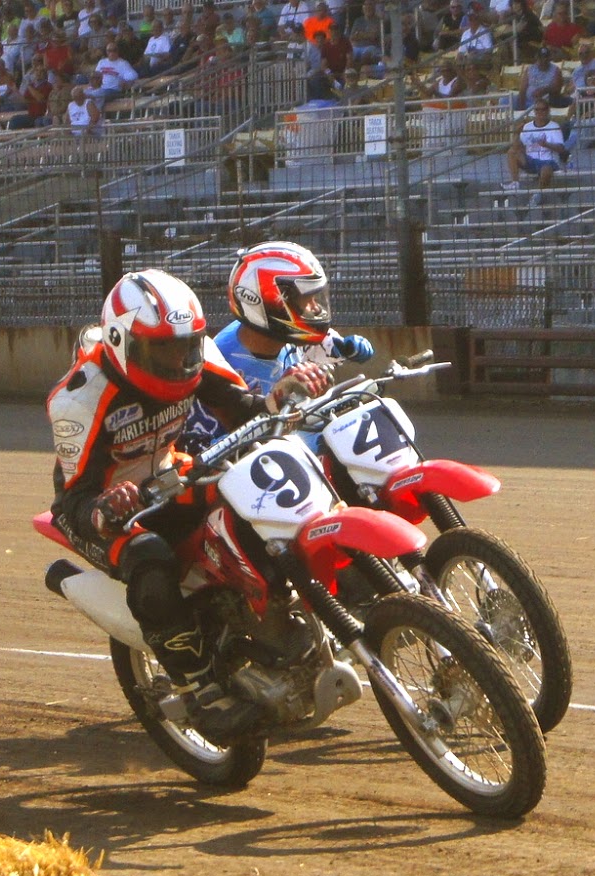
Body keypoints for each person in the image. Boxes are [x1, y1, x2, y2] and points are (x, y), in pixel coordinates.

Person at [47, 270, 330, 743]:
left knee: (251, 496)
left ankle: (276, 610)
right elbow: (75, 497)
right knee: (149, 557)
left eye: (186, 346)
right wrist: (104, 508)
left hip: (170, 474)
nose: (179, 361)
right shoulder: (79, 399)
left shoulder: (199, 354)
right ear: (121, 343)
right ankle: (199, 689)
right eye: (162, 351)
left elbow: (244, 409)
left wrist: (279, 396)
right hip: (102, 507)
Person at [179, 241, 374, 451]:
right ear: (272, 303)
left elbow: (322, 344)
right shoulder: (220, 364)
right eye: (307, 300)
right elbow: (207, 450)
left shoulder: (280, 336)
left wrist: (345, 348)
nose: (316, 308)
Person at [504, 98, 568, 193]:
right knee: (512, 152)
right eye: (537, 109)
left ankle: (538, 194)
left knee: (546, 170)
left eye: (543, 109)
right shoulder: (527, 127)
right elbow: (517, 147)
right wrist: (516, 133)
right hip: (531, 161)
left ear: (548, 110)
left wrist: (547, 145)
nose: (540, 112)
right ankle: (515, 183)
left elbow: (561, 148)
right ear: (534, 111)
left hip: (548, 161)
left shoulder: (554, 126)